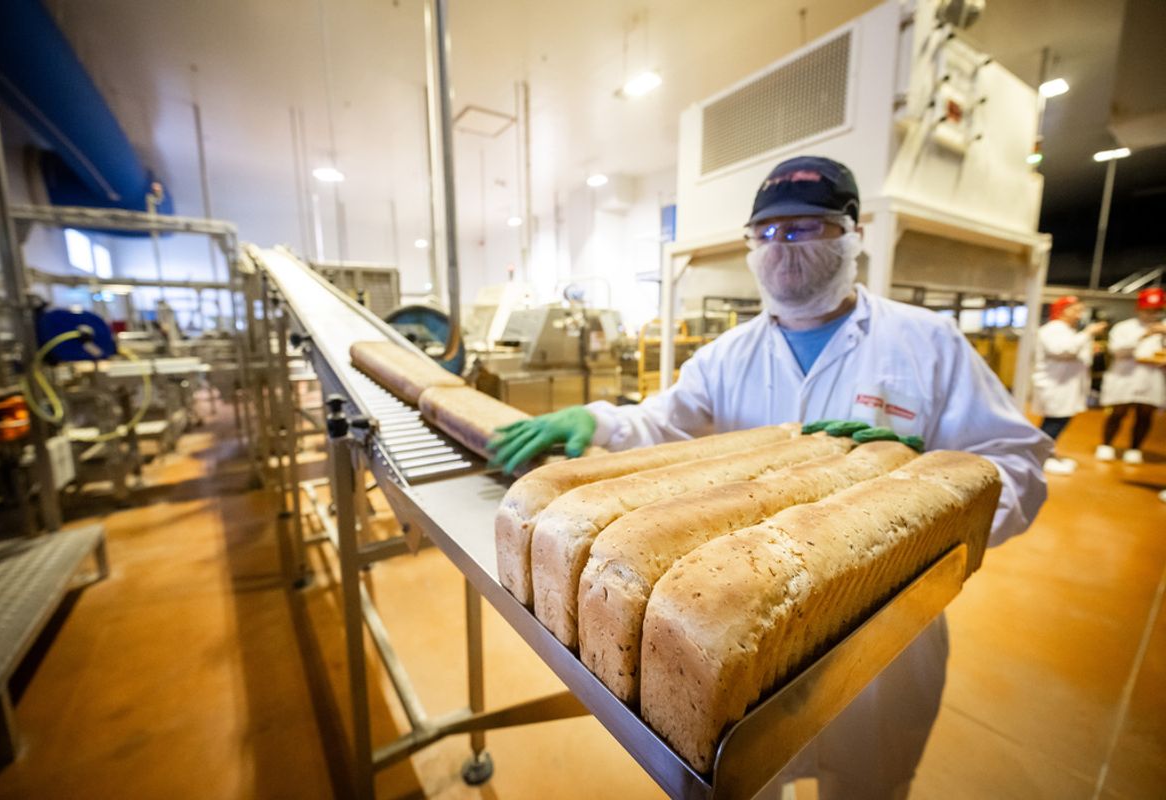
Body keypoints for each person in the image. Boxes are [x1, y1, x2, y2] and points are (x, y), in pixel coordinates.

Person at [489, 156, 1052, 799]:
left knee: (869, 782)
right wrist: (593, 420)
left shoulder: (927, 343)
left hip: (888, 639)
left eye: (805, 228)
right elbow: (666, 424)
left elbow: (1018, 461)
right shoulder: (728, 356)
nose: (782, 249)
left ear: (850, 232)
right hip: (740, 644)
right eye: (767, 234)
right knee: (753, 779)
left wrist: (928, 487)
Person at [1030, 296, 1107, 474]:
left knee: (1057, 420)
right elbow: (1063, 350)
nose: (1079, 315)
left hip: (1066, 385)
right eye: (1075, 310)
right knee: (1053, 422)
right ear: (1062, 310)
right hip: (1056, 384)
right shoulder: (1052, 329)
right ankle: (1039, 456)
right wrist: (1087, 334)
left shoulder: (1068, 330)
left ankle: (1044, 453)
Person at [1095, 287, 1166, 464]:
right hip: (1125, 376)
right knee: (1118, 412)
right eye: (1147, 310)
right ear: (1139, 309)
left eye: (1155, 311)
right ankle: (1106, 444)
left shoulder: (1164, 329)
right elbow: (1116, 350)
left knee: (1145, 415)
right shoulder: (1124, 327)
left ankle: (1135, 448)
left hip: (1152, 377)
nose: (1150, 315)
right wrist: (1144, 335)